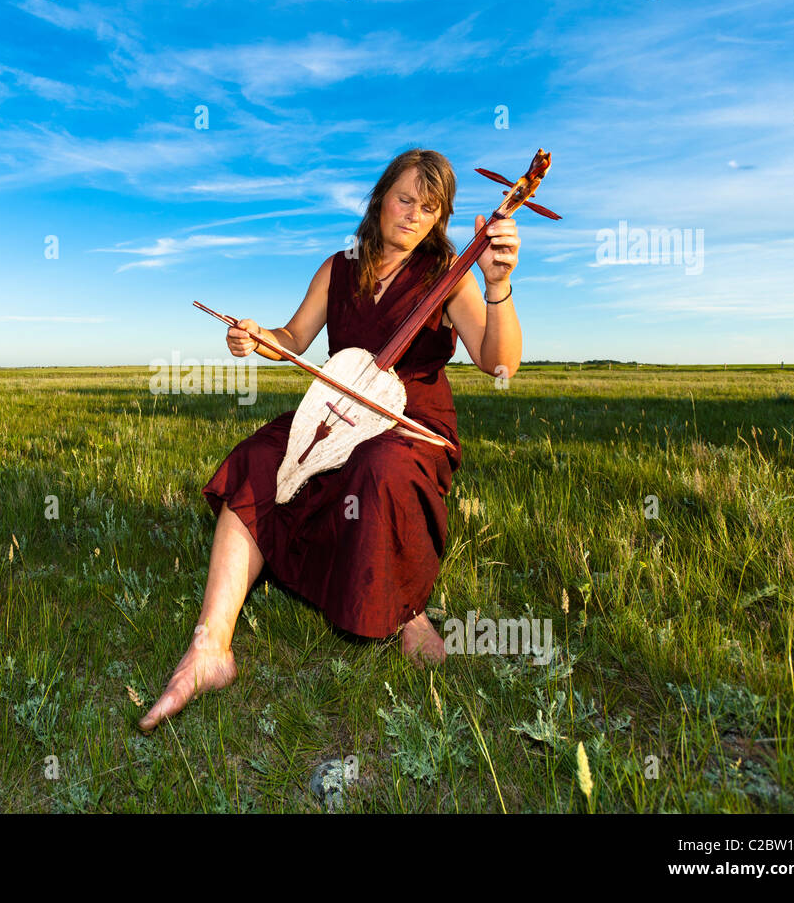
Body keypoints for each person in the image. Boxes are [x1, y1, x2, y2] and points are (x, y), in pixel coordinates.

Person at [138, 148, 523, 734]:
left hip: (410, 427)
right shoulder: (338, 268)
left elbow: (500, 365)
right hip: (339, 410)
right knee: (261, 457)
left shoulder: (448, 278)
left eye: (430, 207)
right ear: (379, 198)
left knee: (378, 467)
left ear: (441, 218)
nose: (414, 215)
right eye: (403, 198)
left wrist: (497, 286)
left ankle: (405, 608)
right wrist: (257, 337)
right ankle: (211, 645)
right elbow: (293, 335)